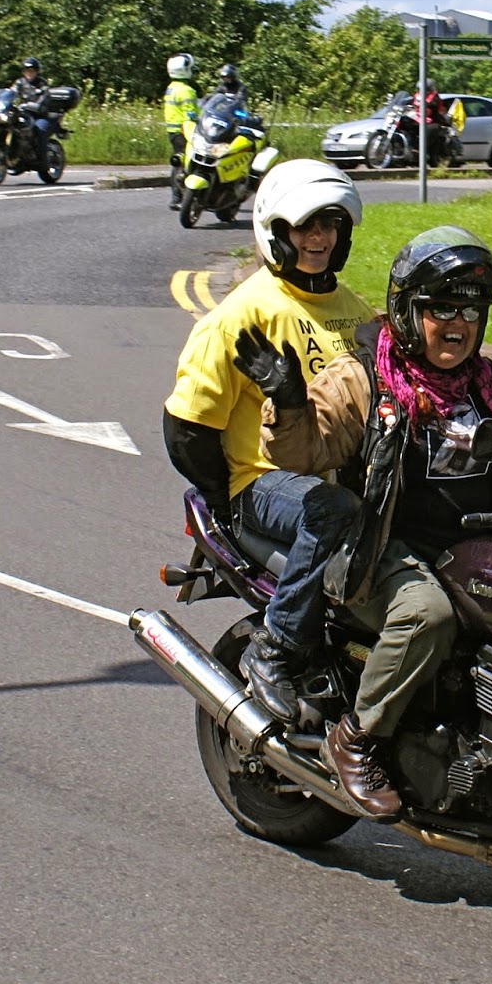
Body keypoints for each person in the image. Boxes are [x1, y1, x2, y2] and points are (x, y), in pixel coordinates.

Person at [236, 226, 492, 816]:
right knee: (426, 616)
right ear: (407, 311)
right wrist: (289, 402)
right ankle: (357, 738)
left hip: (483, 546)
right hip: (384, 549)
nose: (457, 324)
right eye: (440, 309)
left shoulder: (490, 386)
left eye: (471, 310)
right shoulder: (364, 379)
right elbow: (306, 452)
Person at [163, 160, 375, 722]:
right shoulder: (243, 315)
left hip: (343, 474)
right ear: (275, 232)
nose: (318, 239)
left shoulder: (355, 313)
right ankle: (275, 650)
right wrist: (228, 502)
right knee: (333, 509)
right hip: (262, 482)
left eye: (329, 225)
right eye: (304, 226)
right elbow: (186, 427)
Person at [163, 53, 199, 209]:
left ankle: (176, 197)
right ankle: (180, 197)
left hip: (173, 130)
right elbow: (191, 114)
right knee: (188, 163)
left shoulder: (171, 88)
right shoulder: (187, 90)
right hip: (185, 131)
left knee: (178, 162)